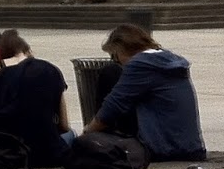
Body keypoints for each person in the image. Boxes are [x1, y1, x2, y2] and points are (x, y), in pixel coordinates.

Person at [85, 23, 206, 161]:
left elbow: (113, 106)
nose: (117, 62)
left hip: (165, 150)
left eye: (115, 56)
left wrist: (88, 132)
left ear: (122, 49)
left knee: (110, 73)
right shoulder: (167, 60)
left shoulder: (141, 64)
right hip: (190, 148)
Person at [0, 29, 74, 167]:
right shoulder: (51, 70)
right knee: (71, 134)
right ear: (28, 50)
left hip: (4, 151)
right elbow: (64, 124)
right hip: (46, 153)